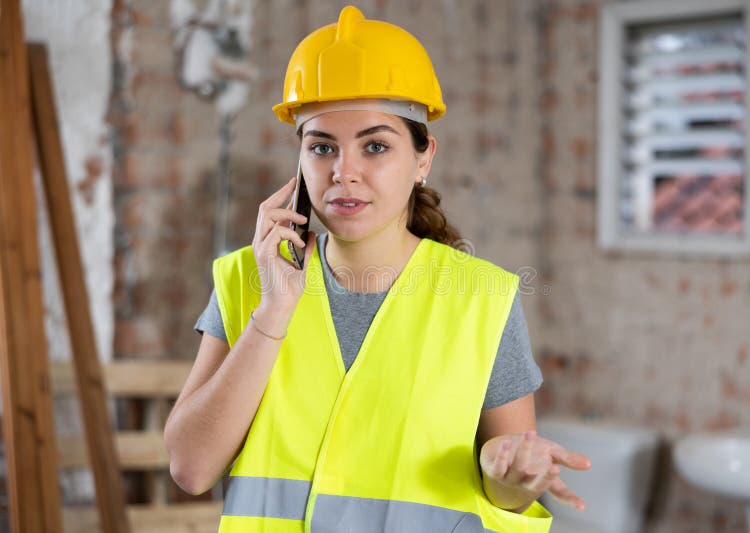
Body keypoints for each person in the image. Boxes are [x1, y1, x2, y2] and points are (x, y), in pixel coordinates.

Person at [164, 6, 590, 532]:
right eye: (321, 147)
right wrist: (273, 310)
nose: (344, 173)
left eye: (375, 146)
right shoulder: (246, 280)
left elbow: (507, 491)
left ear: (422, 158)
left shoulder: (483, 298)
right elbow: (190, 468)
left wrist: (514, 477)